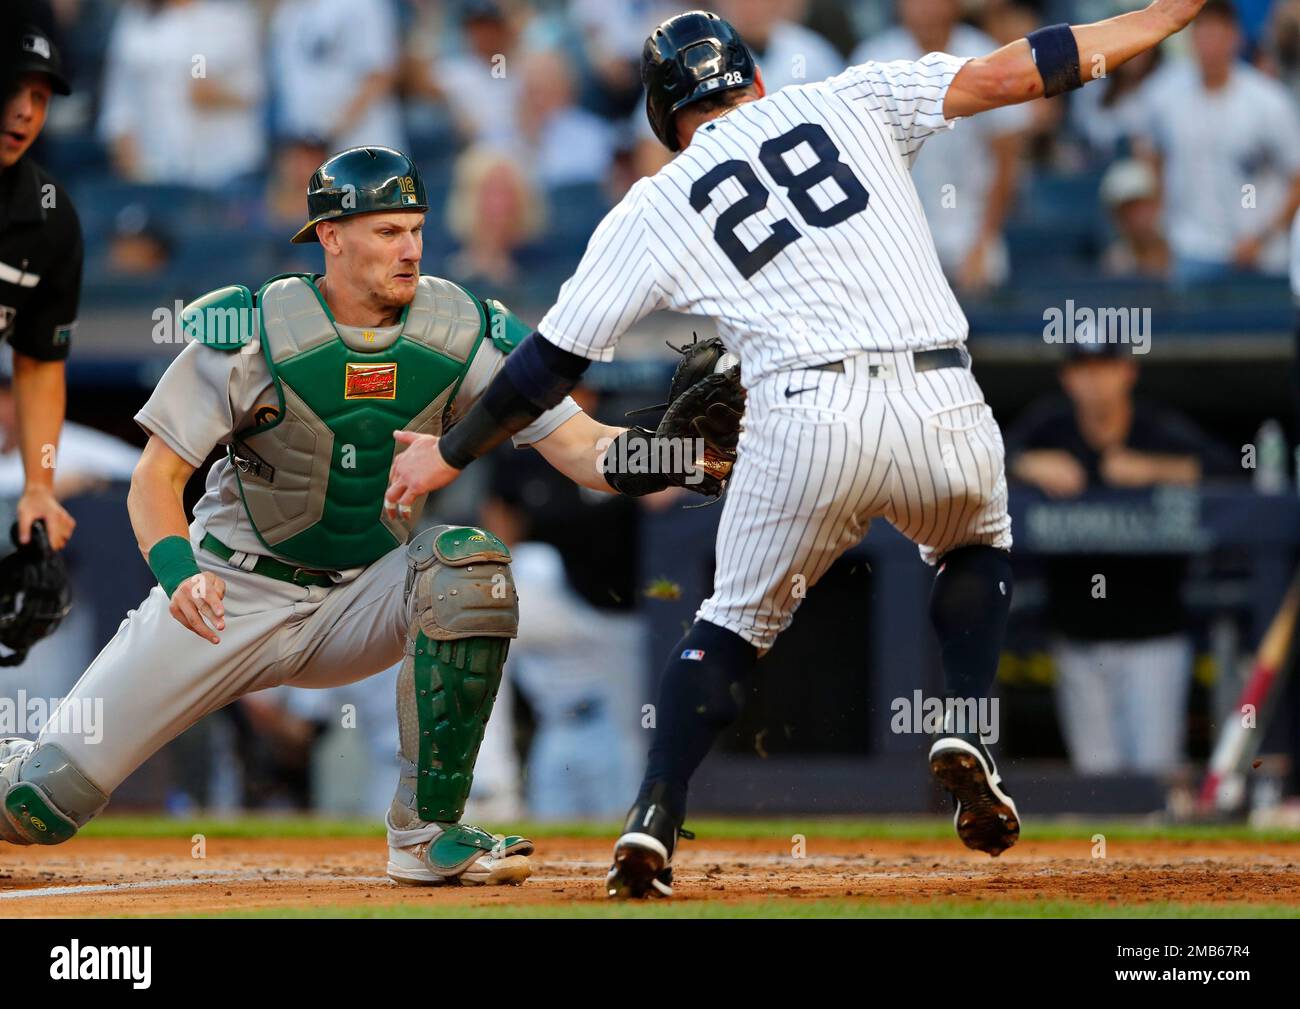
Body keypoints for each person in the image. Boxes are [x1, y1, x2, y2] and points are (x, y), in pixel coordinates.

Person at [384, 3, 1212, 898]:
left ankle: (654, 817)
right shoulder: (854, 94)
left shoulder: (657, 200)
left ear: (665, 121)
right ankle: (967, 720)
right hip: (939, 387)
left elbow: (549, 363)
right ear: (754, 76)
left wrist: (449, 453)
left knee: (731, 626)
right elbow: (1018, 70)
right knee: (974, 543)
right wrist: (1161, 16)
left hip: (803, 405)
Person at [0, 146, 637, 887]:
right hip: (226, 591)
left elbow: (586, 450)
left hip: (361, 591)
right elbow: (154, 482)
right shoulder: (249, 330)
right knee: (39, 804)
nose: (411, 248)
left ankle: (427, 831)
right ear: (331, 236)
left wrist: (684, 453)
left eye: (416, 229)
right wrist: (177, 573)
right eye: (388, 231)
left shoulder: (461, 329)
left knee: (469, 568)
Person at [1006, 342, 1237, 774]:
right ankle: (1105, 846)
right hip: (1076, 639)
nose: (1096, 381)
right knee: (1096, 778)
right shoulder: (1051, 426)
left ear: (1128, 372)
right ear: (1067, 378)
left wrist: (1152, 470)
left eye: (1106, 367)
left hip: (1155, 637)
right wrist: (1025, 464)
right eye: (1084, 369)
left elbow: (1232, 467)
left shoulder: (1155, 428)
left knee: (1155, 773)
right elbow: (977, 459)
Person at [852, 0, 1028, 292]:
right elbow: (857, 158)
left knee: (981, 316)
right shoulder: (873, 59)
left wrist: (984, 239)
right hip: (896, 231)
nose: (925, 8)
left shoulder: (984, 53)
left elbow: (1007, 158)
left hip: (969, 228)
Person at [1138, 0, 1300, 283]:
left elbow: (1296, 177)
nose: (1208, 45)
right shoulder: (1162, 95)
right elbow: (1150, 156)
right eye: (1202, 34)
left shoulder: (1268, 101)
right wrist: (1160, 225)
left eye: (1217, 35)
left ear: (1234, 38)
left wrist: (1263, 236)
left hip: (1261, 254)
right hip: (1190, 248)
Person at [0, 16, 79, 552]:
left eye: (41, 96)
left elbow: (39, 364)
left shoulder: (49, 218)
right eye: (12, 89)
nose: (26, 110)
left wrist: (39, 486)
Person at [98, 0, 265, 188]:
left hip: (222, 169)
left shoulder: (230, 15)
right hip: (155, 169)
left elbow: (253, 88)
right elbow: (119, 99)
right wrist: (123, 144)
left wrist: (218, 93)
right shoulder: (135, 17)